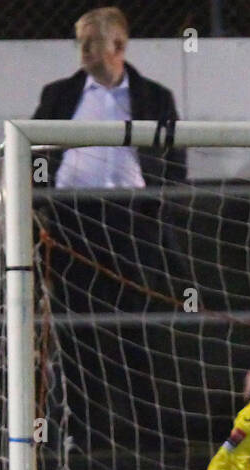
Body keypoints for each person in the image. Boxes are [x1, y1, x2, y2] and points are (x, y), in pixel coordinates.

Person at [33, 5, 187, 313]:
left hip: (131, 219)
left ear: (118, 45)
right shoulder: (57, 95)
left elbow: (174, 163)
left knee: (133, 317)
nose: (84, 50)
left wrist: (156, 211)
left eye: (91, 41)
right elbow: (34, 155)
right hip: (71, 218)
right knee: (73, 314)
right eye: (81, 42)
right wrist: (40, 201)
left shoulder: (156, 97)